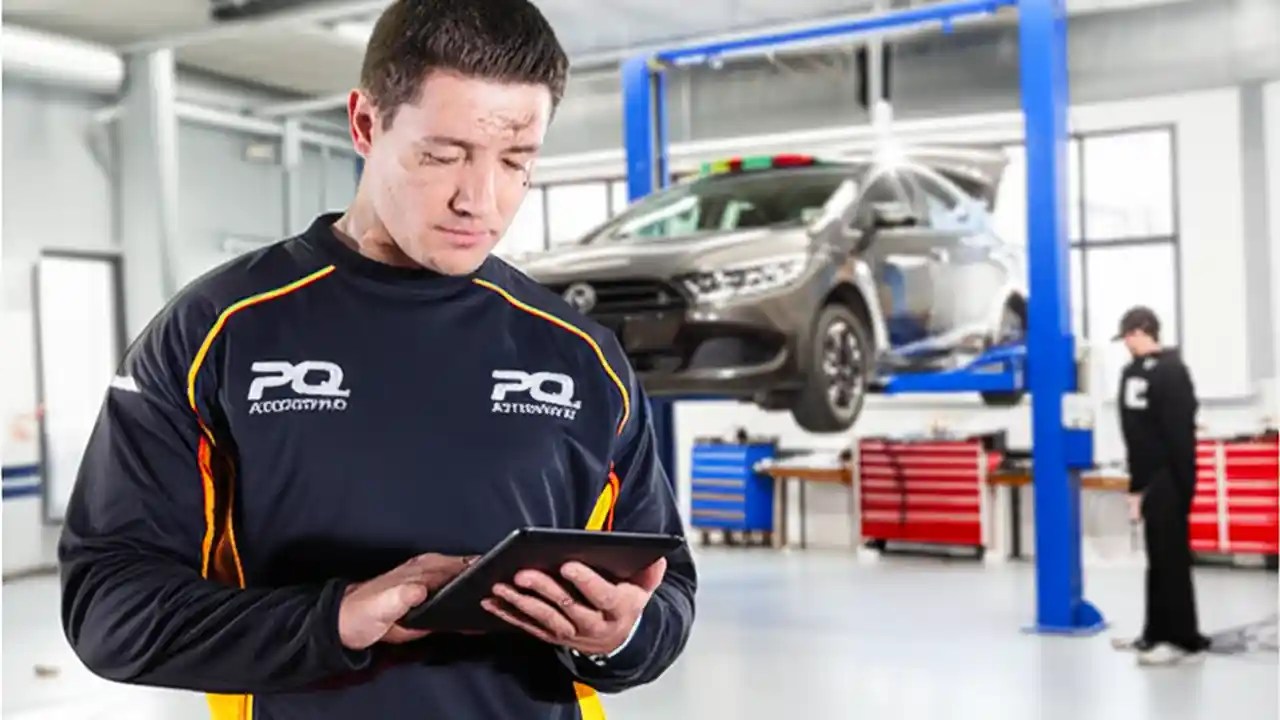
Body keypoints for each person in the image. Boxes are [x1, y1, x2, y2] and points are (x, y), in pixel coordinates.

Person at [57, 1, 697, 718]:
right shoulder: (219, 331)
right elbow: (106, 606)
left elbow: (666, 587)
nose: (478, 199)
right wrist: (330, 621)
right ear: (365, 124)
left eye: (517, 160)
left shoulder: (582, 357)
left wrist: (623, 634)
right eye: (443, 154)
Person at [1110, 305, 1209, 665]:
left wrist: (1185, 484)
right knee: (1158, 559)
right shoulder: (1131, 373)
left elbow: (1179, 433)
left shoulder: (1172, 371)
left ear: (1144, 331)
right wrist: (1136, 485)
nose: (1126, 344)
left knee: (1171, 559)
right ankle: (1155, 632)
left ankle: (1182, 639)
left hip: (1169, 475)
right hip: (1149, 477)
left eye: (1129, 336)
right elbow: (1134, 434)